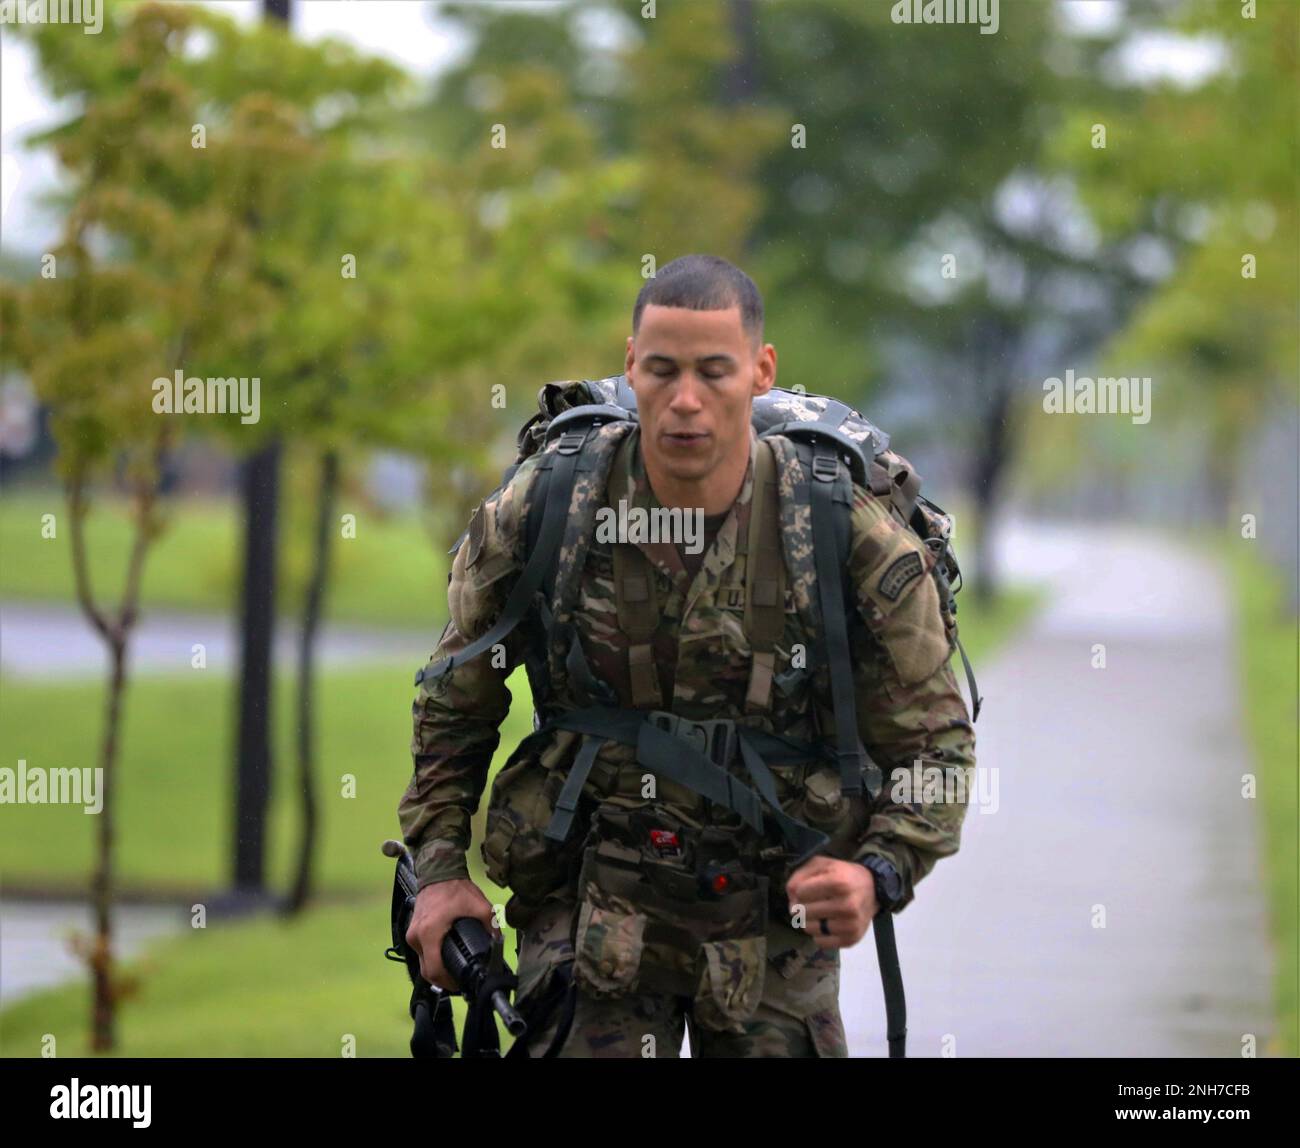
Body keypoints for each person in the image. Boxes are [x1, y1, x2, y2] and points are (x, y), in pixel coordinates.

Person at [397, 254, 976, 1057]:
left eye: (715, 371)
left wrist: (877, 873)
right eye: (663, 371)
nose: (686, 401)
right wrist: (439, 872)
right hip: (590, 899)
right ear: (631, 366)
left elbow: (936, 741)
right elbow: (456, 701)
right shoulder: (552, 504)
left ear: (761, 372)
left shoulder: (838, 528)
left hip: (777, 912)